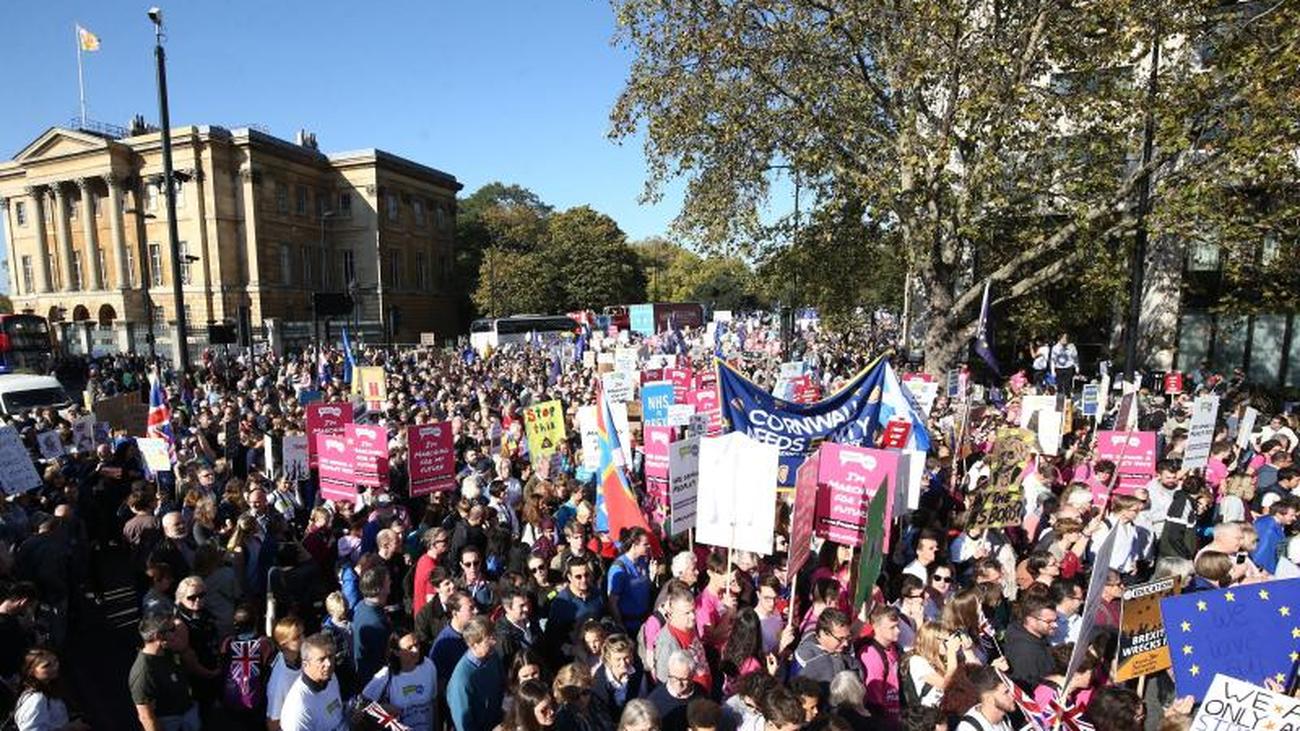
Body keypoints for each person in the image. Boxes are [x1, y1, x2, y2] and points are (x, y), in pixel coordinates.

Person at [129, 613, 200, 731]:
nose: (176, 633)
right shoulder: (144, 673)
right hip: (169, 721)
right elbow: (146, 717)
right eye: (172, 629)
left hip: (188, 711)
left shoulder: (168, 651)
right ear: (158, 636)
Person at [359, 632, 436, 729]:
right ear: (396, 652)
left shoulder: (428, 665)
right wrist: (383, 709)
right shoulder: (386, 675)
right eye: (409, 648)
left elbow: (434, 701)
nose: (416, 650)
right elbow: (362, 705)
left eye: (416, 645)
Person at [278, 633, 347, 731]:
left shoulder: (330, 677)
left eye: (330, 657)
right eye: (321, 659)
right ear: (305, 664)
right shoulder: (298, 709)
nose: (328, 664)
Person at [447, 615, 506, 731]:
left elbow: (502, 689)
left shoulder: (492, 657)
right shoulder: (462, 680)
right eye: (488, 639)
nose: (494, 642)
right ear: (474, 644)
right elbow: (463, 724)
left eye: (493, 636)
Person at [12, 648, 89, 731]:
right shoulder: (37, 698)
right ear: (32, 671)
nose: (55, 667)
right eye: (46, 666)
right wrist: (71, 727)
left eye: (55, 661)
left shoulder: (49, 689)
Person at [793, 609, 861, 696]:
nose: (846, 643)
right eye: (840, 639)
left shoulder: (845, 650)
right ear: (824, 634)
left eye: (847, 637)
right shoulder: (806, 660)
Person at [859, 605, 903, 729]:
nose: (898, 631)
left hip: (895, 713)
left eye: (898, 626)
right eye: (892, 627)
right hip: (883, 720)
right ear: (876, 627)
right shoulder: (871, 655)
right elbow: (874, 697)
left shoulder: (894, 648)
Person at [1002, 596, 1056, 690]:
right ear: (1030, 620)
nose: (1055, 625)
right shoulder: (1025, 653)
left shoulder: (1037, 637)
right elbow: (1030, 687)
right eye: (1049, 621)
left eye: (1055, 620)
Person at [607, 527, 654, 634]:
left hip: (644, 621)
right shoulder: (619, 568)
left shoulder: (643, 561)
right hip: (629, 625)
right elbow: (612, 601)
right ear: (634, 545)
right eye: (645, 544)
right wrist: (620, 625)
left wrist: (652, 577)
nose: (649, 546)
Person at [591, 633, 644, 725]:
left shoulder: (637, 672)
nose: (623, 663)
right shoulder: (598, 681)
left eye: (626, 658)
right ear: (608, 659)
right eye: (618, 659)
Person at [647, 650, 703, 731]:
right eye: (674, 678)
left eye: (683, 679)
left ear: (692, 676)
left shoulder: (701, 694)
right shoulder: (654, 701)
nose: (678, 683)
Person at [267, 616, 305, 731]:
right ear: (283, 644)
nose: (303, 639)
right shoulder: (279, 679)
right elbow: (273, 721)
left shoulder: (300, 657)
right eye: (297, 637)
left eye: (303, 634)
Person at [953, 666, 1015, 731]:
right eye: (1006, 692)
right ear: (989, 699)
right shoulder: (969, 728)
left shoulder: (1003, 717)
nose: (1013, 695)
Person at [496, 584, 540, 668]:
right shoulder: (503, 637)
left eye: (527, 604)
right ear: (507, 608)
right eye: (521, 606)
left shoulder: (532, 621)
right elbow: (508, 666)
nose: (526, 608)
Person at [1252, 496, 1299, 574]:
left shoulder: (1272, 524)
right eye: (1291, 515)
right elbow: (1261, 554)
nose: (1294, 518)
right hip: (1265, 571)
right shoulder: (1268, 529)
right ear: (1279, 514)